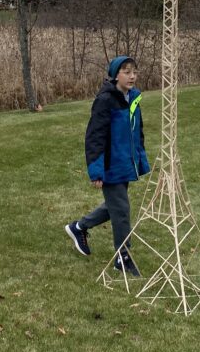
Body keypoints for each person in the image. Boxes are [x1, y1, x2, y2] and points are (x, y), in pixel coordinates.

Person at [64, 55, 149, 276]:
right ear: (115, 75)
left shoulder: (133, 98)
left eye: (134, 71)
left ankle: (79, 227)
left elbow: (136, 133)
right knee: (121, 210)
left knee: (115, 207)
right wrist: (96, 170)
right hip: (111, 165)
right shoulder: (105, 100)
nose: (132, 76)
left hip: (125, 163)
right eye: (126, 71)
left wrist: (140, 159)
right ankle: (123, 257)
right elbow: (95, 137)